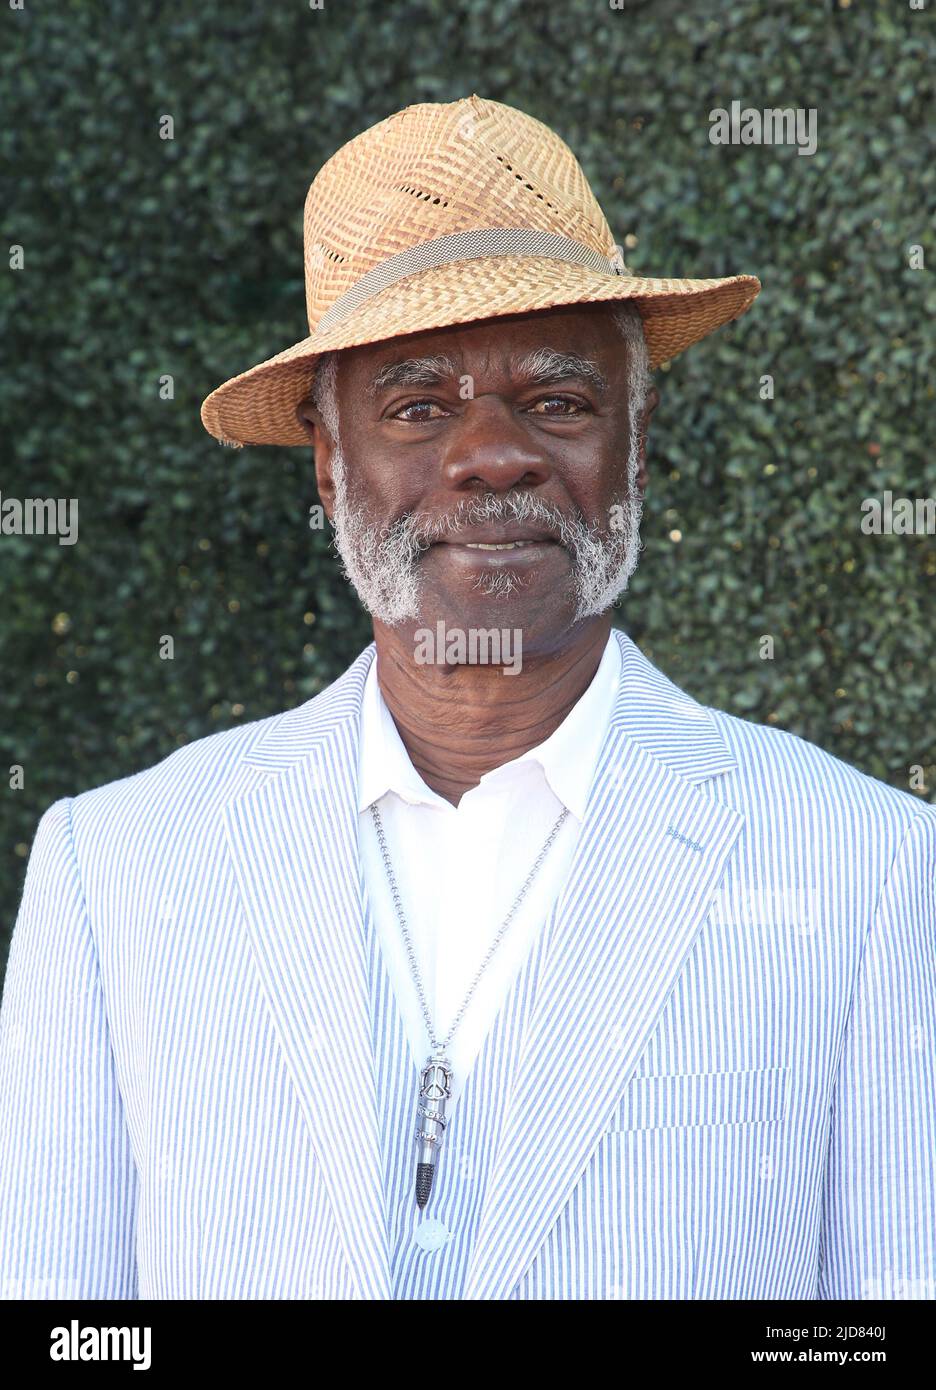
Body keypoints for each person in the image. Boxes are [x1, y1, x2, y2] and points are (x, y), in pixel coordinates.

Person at [1, 95, 933, 1302]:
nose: (493, 452)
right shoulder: (115, 869)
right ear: (331, 467)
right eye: (417, 405)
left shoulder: (868, 869)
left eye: (557, 401)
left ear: (635, 448)